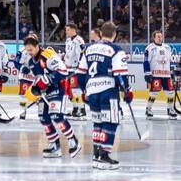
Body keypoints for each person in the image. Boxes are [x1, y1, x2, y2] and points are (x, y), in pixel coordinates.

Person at [77, 21, 130, 170]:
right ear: (115, 34)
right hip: (108, 89)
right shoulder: (116, 50)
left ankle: (96, 154)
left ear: (101, 33)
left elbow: (80, 73)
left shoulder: (88, 49)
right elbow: (120, 73)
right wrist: (127, 91)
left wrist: (84, 90)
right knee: (111, 122)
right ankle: (104, 156)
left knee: (98, 122)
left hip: (92, 90)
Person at [22, 35, 80, 159]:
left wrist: (46, 80)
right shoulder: (32, 61)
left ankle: (73, 141)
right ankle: (54, 145)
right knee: (43, 118)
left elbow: (63, 71)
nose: (29, 52)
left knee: (56, 116)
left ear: (37, 46)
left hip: (58, 89)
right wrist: (36, 88)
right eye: (27, 50)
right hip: (45, 93)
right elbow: (38, 79)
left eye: (31, 49)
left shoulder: (48, 54)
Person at [142, 30, 175, 120]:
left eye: (161, 36)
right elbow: (146, 62)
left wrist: (172, 72)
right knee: (154, 93)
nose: (160, 38)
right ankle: (148, 109)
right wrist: (147, 73)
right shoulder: (150, 48)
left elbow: (170, 61)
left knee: (171, 93)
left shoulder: (167, 47)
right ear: (154, 38)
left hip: (166, 75)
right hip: (155, 74)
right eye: (158, 36)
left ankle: (170, 109)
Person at [63, 24, 87, 119]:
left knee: (76, 89)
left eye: (68, 30)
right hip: (67, 68)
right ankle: (75, 108)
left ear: (73, 30)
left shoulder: (79, 40)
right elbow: (67, 53)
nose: (66, 32)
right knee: (70, 91)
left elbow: (82, 54)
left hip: (75, 68)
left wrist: (80, 66)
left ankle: (82, 109)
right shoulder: (68, 40)